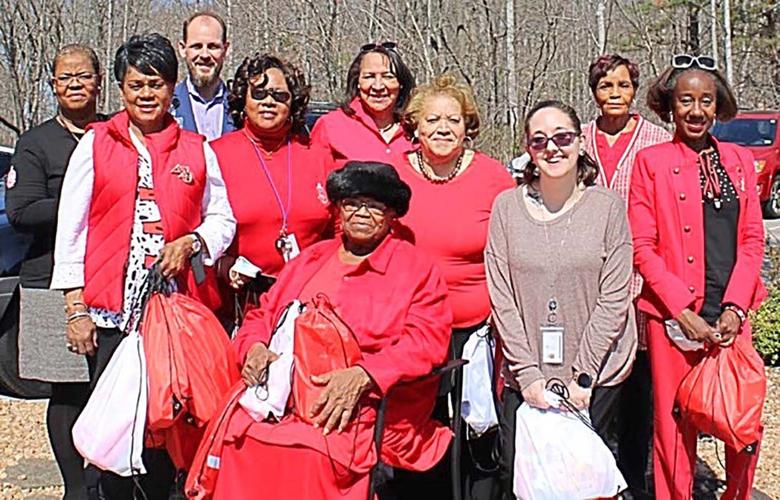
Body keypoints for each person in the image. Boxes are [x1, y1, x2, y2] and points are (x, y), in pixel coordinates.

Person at [50, 33, 235, 499]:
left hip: (175, 313)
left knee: (168, 418)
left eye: (155, 84)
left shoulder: (196, 148)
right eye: (136, 85)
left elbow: (222, 218)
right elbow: (71, 231)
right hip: (112, 312)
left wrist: (193, 242)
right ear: (120, 89)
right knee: (115, 419)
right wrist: (76, 308)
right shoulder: (96, 144)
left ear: (171, 88)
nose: (146, 95)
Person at [212, 161, 453, 499]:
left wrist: (365, 374)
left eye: (375, 205)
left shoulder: (415, 268)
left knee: (311, 452)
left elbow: (426, 341)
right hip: (283, 397)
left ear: (392, 214)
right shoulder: (311, 259)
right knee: (236, 434)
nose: (362, 213)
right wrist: (253, 347)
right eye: (353, 203)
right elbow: (262, 314)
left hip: (363, 406)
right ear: (339, 209)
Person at [628, 55, 765, 500]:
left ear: (718, 105)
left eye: (706, 100)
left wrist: (735, 306)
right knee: (673, 428)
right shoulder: (651, 162)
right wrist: (680, 311)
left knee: (741, 420)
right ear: (670, 105)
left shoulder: (740, 160)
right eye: (686, 100)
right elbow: (641, 246)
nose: (696, 110)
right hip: (673, 318)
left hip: (731, 317)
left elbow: (751, 239)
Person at [485, 100, 634, 498]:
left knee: (586, 484)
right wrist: (529, 376)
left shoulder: (607, 208)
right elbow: (502, 298)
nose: (552, 148)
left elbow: (615, 295)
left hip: (597, 374)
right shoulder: (506, 208)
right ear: (528, 149)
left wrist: (584, 374)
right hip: (527, 375)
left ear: (581, 141)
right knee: (530, 484)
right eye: (539, 140)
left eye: (563, 137)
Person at [392, 74, 514, 499]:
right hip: (412, 328)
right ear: (415, 126)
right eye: (432, 120)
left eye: (454, 120)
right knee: (417, 432)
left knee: (477, 434)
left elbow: (512, 250)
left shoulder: (494, 178)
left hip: (475, 330)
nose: (443, 128)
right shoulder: (394, 175)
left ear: (468, 126)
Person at [5, 44, 106, 500]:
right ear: (52, 85)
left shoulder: (114, 133)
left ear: (99, 82)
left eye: (83, 76)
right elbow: (22, 210)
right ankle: (74, 489)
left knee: (108, 385)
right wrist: (85, 200)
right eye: (65, 78)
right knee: (65, 389)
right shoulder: (35, 143)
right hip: (49, 278)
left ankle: (108, 480)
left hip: (109, 277)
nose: (74, 85)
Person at [582, 53, 671, 496]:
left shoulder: (656, 139)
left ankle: (635, 483)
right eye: (605, 87)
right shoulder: (577, 140)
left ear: (634, 89)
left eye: (622, 85)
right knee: (596, 392)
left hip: (642, 282)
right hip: (590, 280)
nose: (614, 94)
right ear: (594, 92)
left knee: (639, 394)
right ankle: (593, 479)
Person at [210, 54, 334, 314]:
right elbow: (195, 231)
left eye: (279, 95)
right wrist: (222, 265)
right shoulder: (215, 155)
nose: (268, 101)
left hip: (308, 302)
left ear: (293, 103)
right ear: (244, 99)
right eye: (259, 93)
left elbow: (338, 230)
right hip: (240, 303)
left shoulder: (318, 154)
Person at [311, 42, 415, 167]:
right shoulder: (330, 125)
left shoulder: (417, 126)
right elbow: (314, 180)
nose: (378, 86)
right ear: (357, 82)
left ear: (401, 83)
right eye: (369, 76)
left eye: (388, 77)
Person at [172, 11, 234, 140]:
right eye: (197, 46)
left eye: (213, 46)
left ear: (226, 50)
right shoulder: (167, 107)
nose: (205, 55)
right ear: (183, 49)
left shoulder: (240, 107)